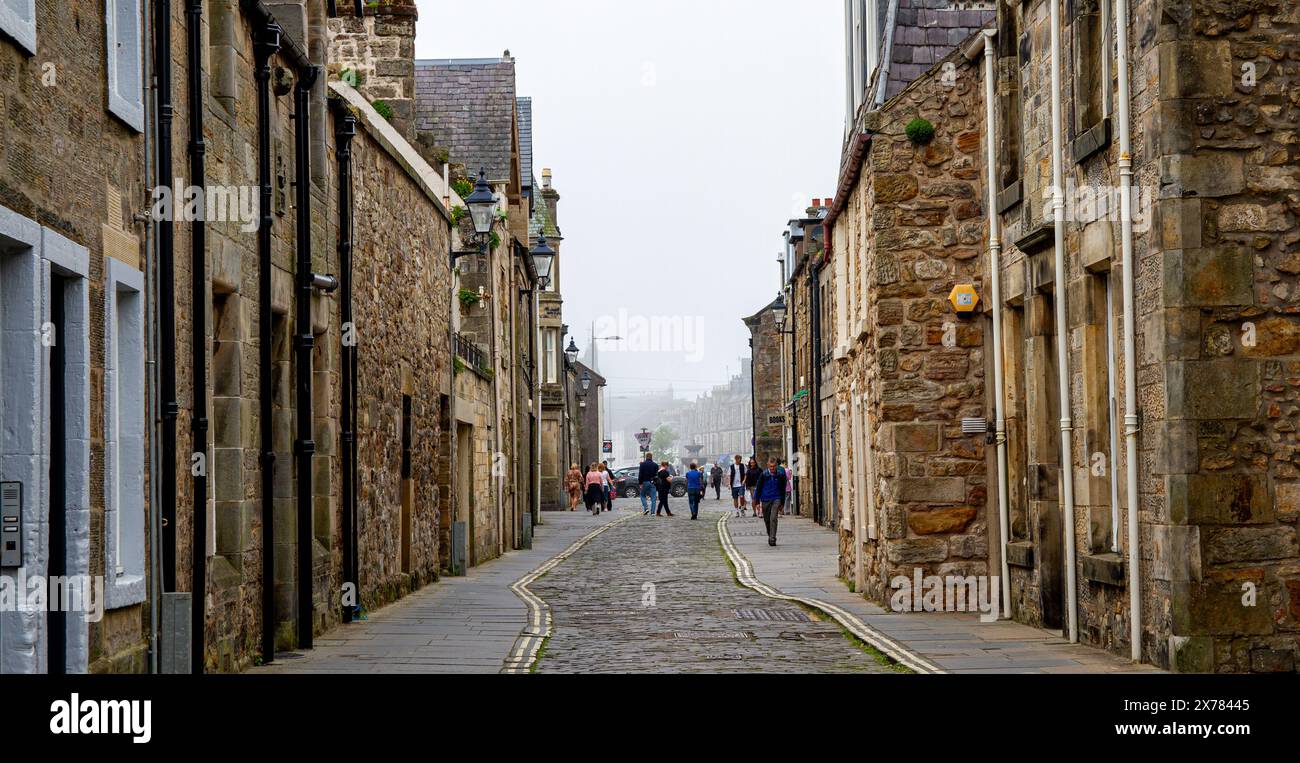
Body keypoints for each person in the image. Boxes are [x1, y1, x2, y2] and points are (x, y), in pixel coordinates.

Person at [754, 457, 788, 546]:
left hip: (776, 498)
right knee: (767, 520)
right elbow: (758, 488)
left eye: (774, 466)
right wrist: (757, 502)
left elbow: (782, 490)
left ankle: (772, 538)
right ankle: (770, 534)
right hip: (765, 499)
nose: (772, 468)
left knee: (773, 518)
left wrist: (782, 503)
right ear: (768, 465)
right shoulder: (763, 475)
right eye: (771, 466)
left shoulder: (780, 475)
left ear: (776, 466)